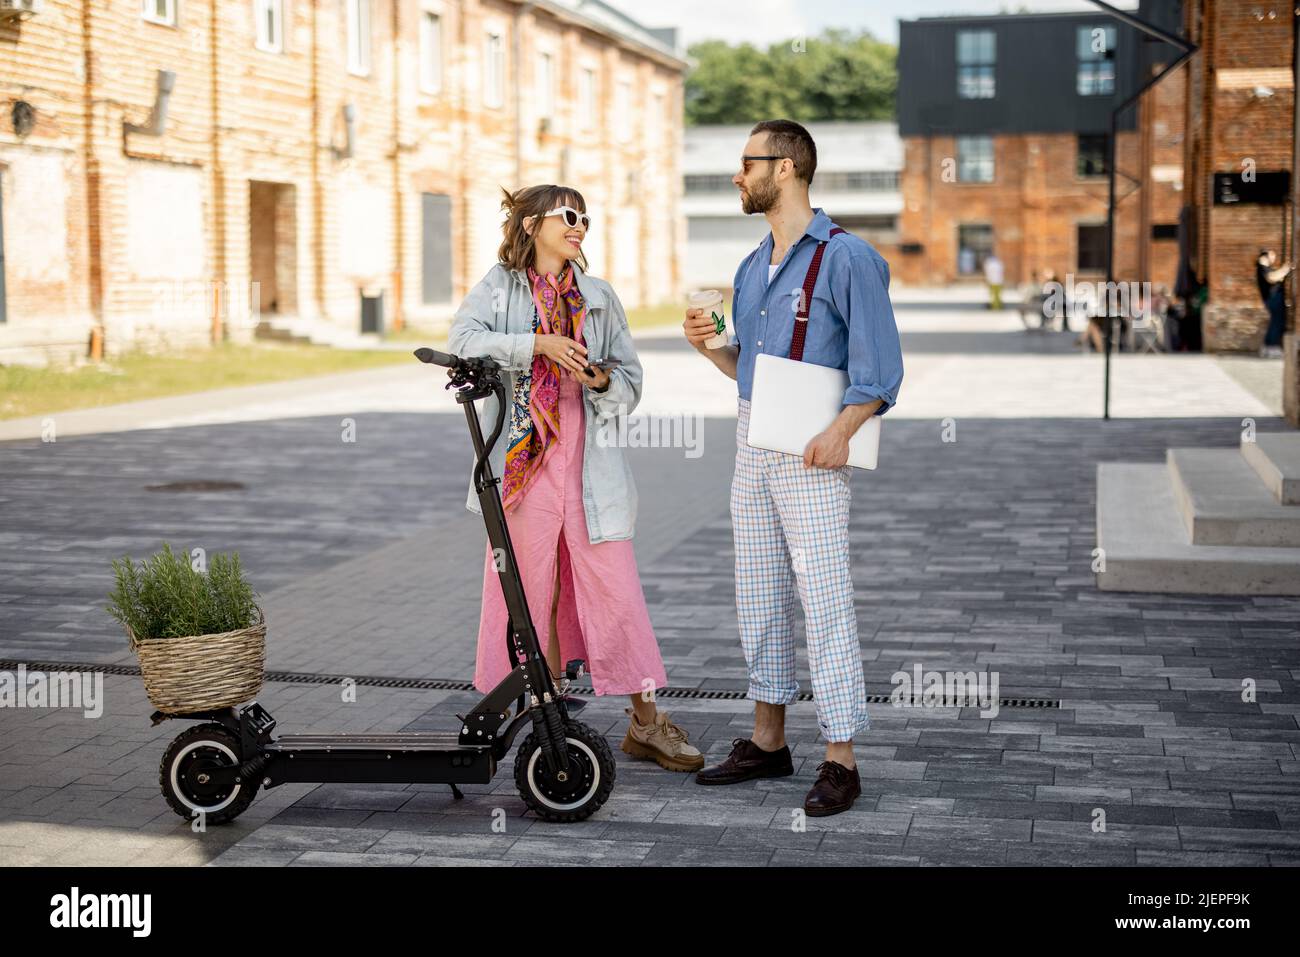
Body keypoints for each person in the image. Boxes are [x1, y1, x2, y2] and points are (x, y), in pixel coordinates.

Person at [682, 120, 904, 816]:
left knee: (824, 596)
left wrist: (845, 427)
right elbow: (746, 368)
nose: (735, 175)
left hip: (813, 445)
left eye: (746, 163)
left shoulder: (848, 257)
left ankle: (842, 758)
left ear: (785, 168)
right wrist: (709, 348)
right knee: (759, 591)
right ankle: (768, 740)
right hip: (754, 435)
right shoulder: (752, 266)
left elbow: (881, 370)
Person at [449, 184, 703, 773]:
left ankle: (646, 723)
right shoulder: (499, 288)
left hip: (592, 468)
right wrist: (535, 343)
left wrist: (599, 380)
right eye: (569, 215)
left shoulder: (599, 297)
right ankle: (549, 717)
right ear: (533, 223)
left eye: (585, 217)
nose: (580, 225)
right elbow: (461, 341)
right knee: (530, 592)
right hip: (524, 469)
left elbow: (632, 382)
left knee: (616, 592)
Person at [1256, 248, 1291, 359]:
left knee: (1275, 321)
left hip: (1274, 298)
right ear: (1265, 256)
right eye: (1272, 255)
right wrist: (1285, 269)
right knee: (1277, 322)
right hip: (1273, 298)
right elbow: (1271, 278)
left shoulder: (1266, 268)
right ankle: (1272, 347)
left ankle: (1268, 347)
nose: (1274, 258)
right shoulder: (1262, 267)